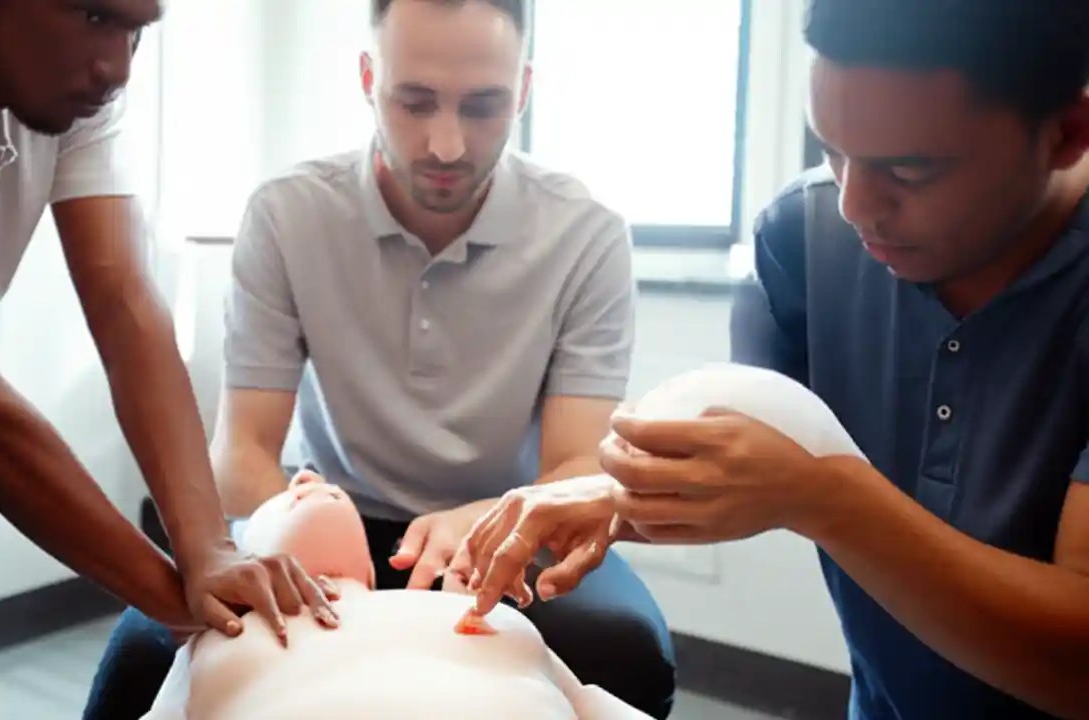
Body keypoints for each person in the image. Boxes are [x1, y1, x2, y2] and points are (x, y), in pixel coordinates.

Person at [458, 1, 1089, 718]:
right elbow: (749, 457)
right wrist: (619, 491)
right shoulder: (802, 239)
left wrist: (828, 497)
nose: (855, 205)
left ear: (1068, 133)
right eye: (832, 150)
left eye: (909, 170)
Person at [83, 0, 675, 717]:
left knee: (626, 647)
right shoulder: (287, 215)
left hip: (505, 527)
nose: (447, 145)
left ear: (522, 91)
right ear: (369, 78)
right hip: (330, 518)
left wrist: (486, 520)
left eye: (483, 106)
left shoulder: (588, 236)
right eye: (415, 101)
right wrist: (295, 538)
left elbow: (579, 466)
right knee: (144, 654)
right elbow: (241, 451)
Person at [0, 0, 335, 715]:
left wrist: (210, 551)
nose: (116, 66)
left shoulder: (71, 93)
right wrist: (189, 613)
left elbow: (126, 309)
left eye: (137, 29)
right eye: (93, 17)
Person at [139, 469, 654, 720]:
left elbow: (586, 700)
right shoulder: (224, 625)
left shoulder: (467, 603)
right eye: (291, 494)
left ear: (369, 566)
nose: (305, 477)